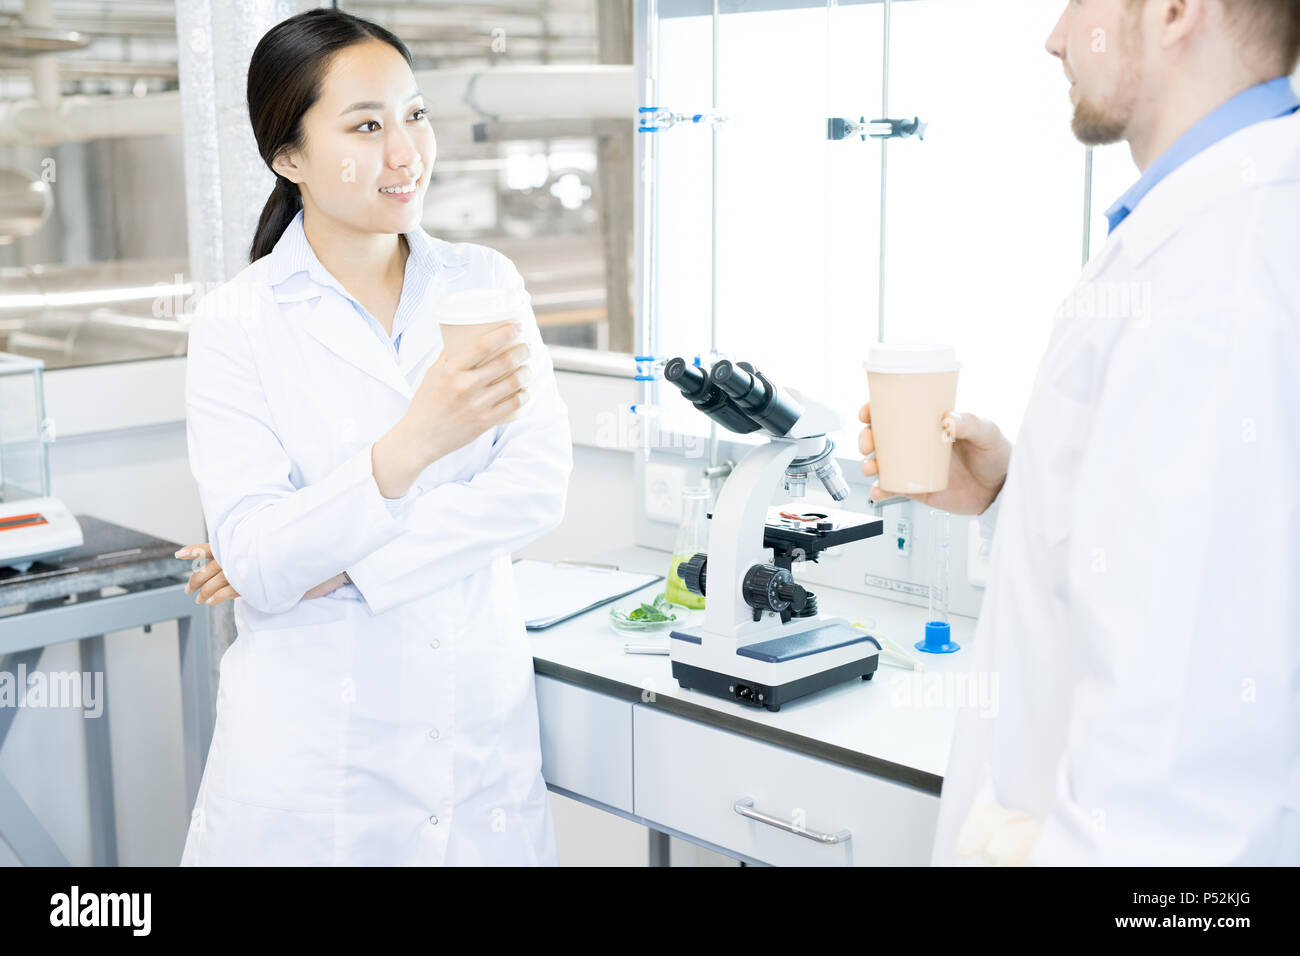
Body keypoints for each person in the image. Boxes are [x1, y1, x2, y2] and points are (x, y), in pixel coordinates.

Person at [860, 0, 1300, 864]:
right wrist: (1009, 494)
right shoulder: (1203, 235)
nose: (1056, 35)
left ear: (1177, 11)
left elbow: (1176, 777)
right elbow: (1182, 564)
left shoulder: (1220, 280)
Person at [178, 8, 572, 865]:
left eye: (415, 115)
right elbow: (257, 557)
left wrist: (331, 556)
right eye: (366, 125)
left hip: (477, 747)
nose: (406, 153)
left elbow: (534, 487)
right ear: (289, 158)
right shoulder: (236, 323)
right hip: (315, 773)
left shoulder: (484, 282)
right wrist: (412, 448)